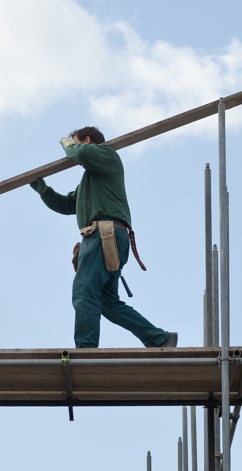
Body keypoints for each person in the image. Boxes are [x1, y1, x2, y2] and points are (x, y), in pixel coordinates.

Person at [30, 127, 176, 349]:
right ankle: (158, 338)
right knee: (107, 303)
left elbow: (79, 154)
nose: (73, 148)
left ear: (87, 141)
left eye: (77, 142)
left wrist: (67, 142)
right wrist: (44, 191)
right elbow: (68, 204)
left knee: (84, 291)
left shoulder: (107, 155)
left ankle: (85, 350)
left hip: (103, 234)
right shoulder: (92, 179)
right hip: (110, 236)